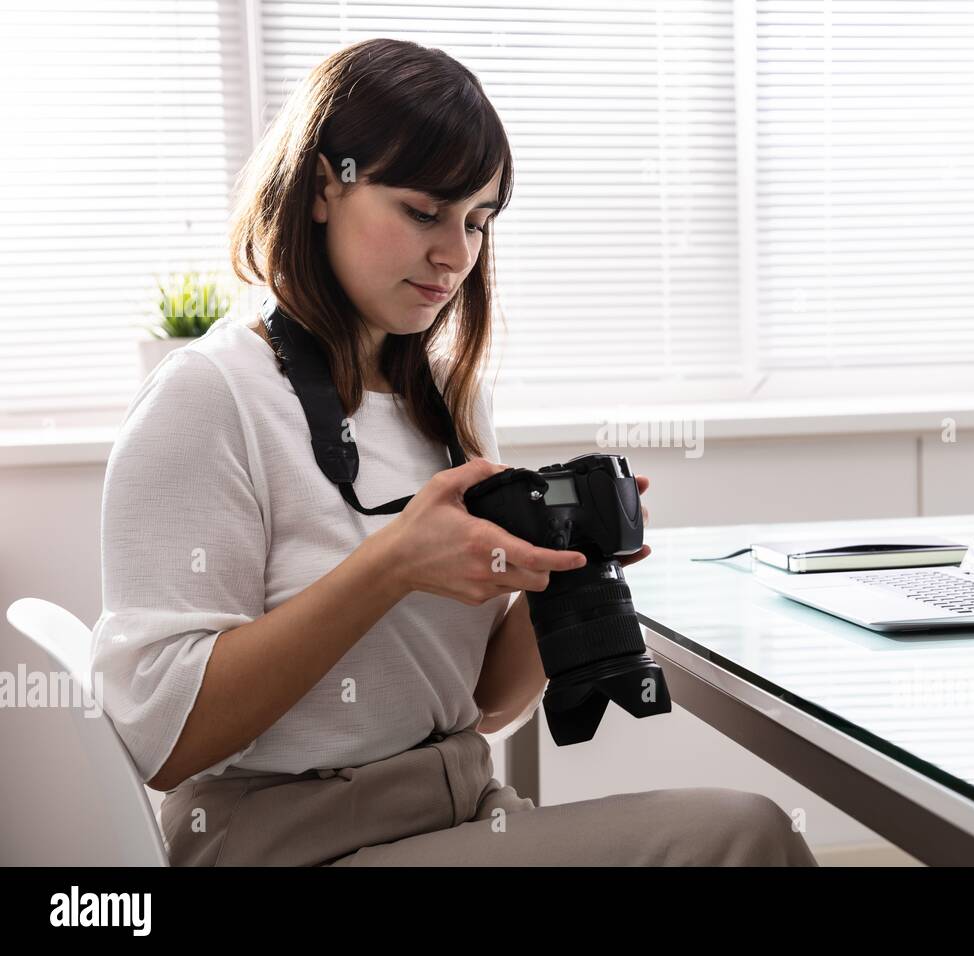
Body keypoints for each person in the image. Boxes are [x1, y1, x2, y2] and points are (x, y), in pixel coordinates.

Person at [90, 37, 817, 867]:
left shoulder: (445, 402)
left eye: (477, 221)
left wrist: (569, 572)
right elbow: (163, 740)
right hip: (280, 842)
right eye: (423, 212)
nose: (456, 255)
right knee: (744, 834)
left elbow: (477, 702)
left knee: (740, 828)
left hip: (458, 810)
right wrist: (393, 564)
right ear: (326, 186)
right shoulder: (207, 397)